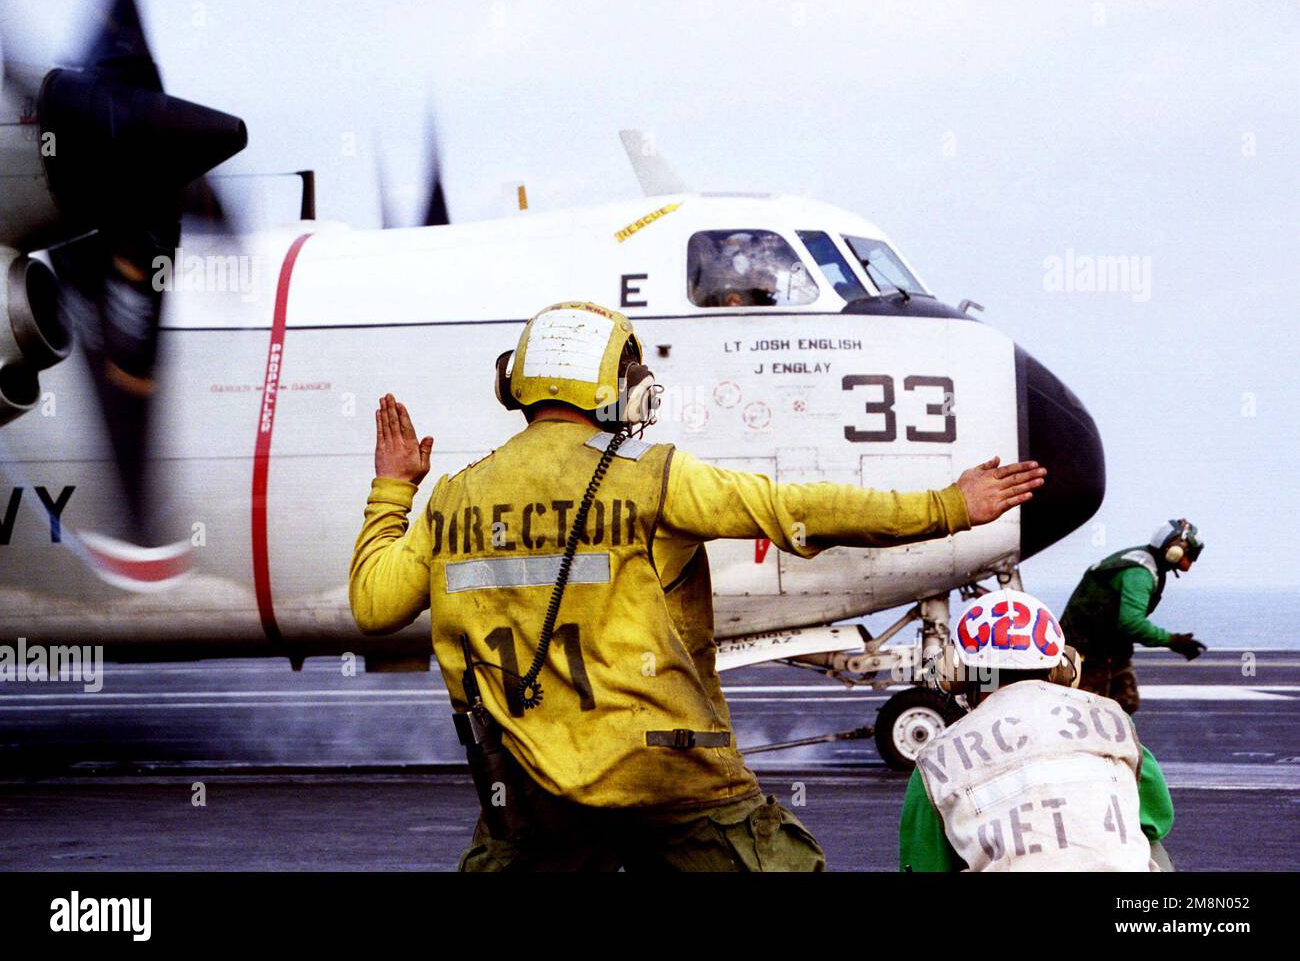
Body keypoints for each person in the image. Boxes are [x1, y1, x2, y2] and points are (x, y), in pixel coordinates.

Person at [349, 300, 1047, 872]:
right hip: (665, 771)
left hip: (527, 792)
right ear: (616, 387)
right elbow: (795, 510)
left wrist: (392, 489)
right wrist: (948, 506)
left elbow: (374, 606)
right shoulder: (649, 473)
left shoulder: (454, 498)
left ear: (515, 386)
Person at [899, 590, 1176, 872]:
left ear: (955, 672)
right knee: (1150, 848)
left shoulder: (935, 761)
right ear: (1063, 668)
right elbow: (1157, 819)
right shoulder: (1111, 720)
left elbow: (922, 862)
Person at [1060, 520, 1206, 715]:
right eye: (1191, 555)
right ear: (1175, 550)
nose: (1191, 562)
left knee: (1126, 701)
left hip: (1108, 650)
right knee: (1092, 713)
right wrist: (1173, 641)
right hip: (1087, 653)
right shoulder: (1140, 573)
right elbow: (1131, 623)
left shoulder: (1146, 563)